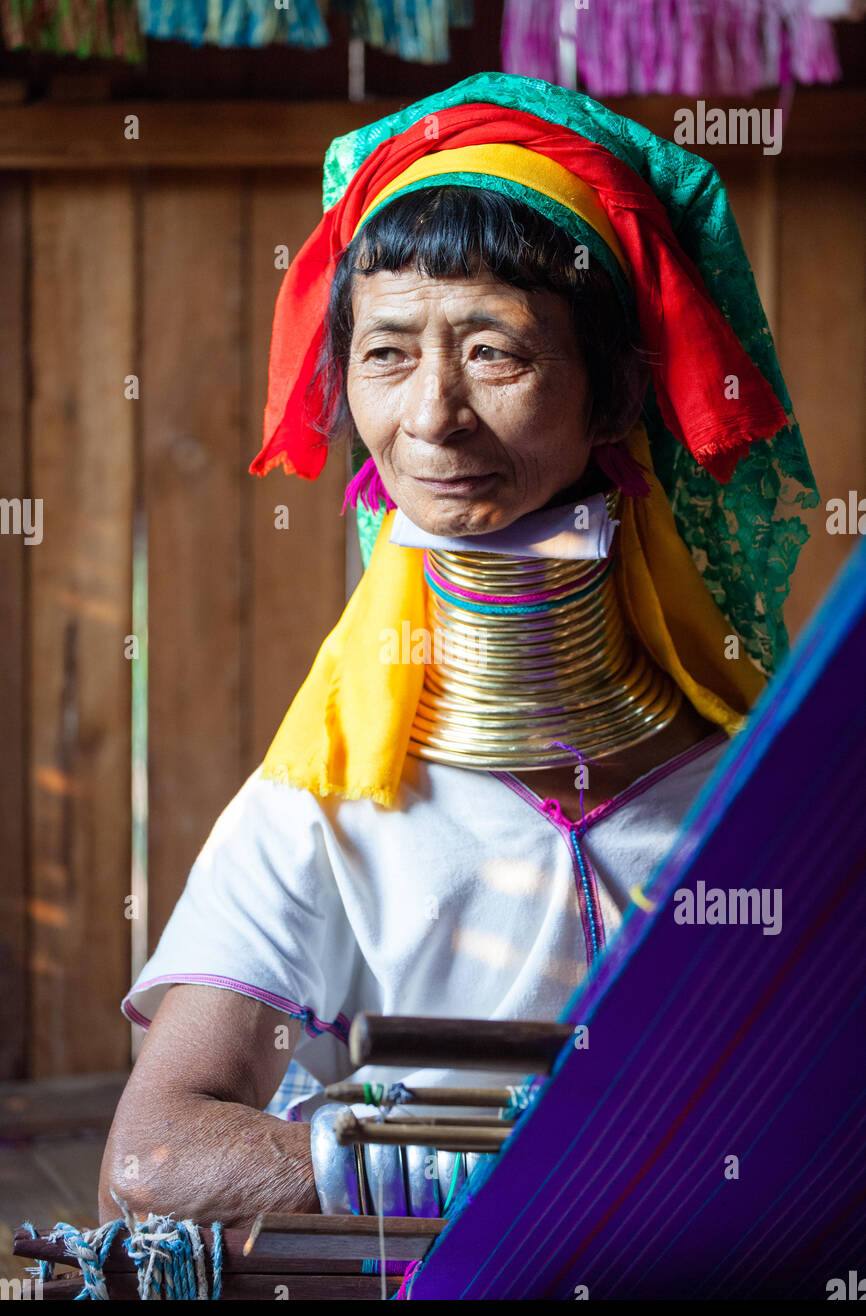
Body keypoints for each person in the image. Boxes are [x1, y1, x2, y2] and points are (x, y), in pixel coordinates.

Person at [99, 72, 817, 1226]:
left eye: (494, 352)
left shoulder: (750, 797)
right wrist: (376, 1167)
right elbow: (147, 1160)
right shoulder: (323, 806)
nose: (431, 416)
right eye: (386, 354)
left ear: (616, 395)